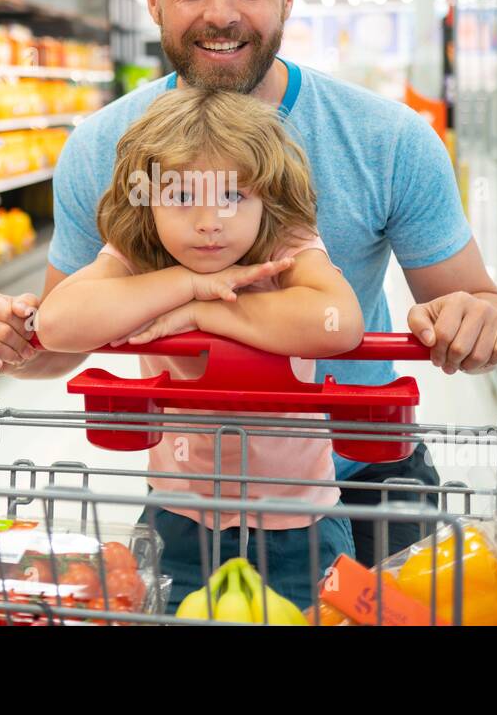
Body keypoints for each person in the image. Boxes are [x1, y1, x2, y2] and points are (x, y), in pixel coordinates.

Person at [0, 0, 497, 563]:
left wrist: (478, 318)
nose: (221, 12)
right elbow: (63, 336)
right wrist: (15, 337)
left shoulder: (390, 139)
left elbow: (469, 301)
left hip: (368, 468)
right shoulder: (105, 149)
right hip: (195, 488)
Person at [36, 85, 363, 608]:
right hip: (176, 520)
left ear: (266, 198)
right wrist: (184, 284)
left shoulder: (285, 245)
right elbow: (55, 323)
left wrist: (201, 311)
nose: (209, 221)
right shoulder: (141, 253)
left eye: (234, 195)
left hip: (298, 526)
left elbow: (339, 323)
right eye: (182, 196)